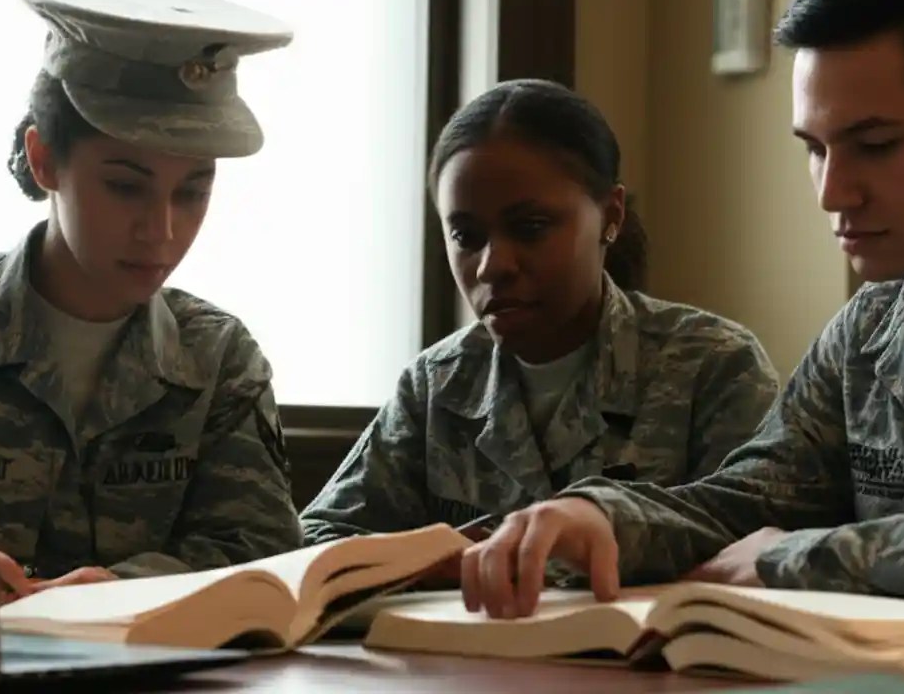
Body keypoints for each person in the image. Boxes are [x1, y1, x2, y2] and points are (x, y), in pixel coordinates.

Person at [458, 0, 904, 631]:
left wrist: (791, 558)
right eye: (815, 150)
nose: (832, 192)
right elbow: (749, 500)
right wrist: (603, 519)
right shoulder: (868, 329)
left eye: (876, 146)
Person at [0, 0, 303, 603]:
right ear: (44, 160)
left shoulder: (218, 358)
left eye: (193, 192)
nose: (161, 232)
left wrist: (117, 588)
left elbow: (261, 553)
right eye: (125, 185)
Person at [301, 79, 780, 552]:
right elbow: (316, 541)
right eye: (466, 237)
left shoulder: (713, 366)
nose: (492, 266)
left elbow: (755, 540)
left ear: (610, 216)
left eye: (530, 228)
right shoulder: (438, 388)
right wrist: (437, 559)